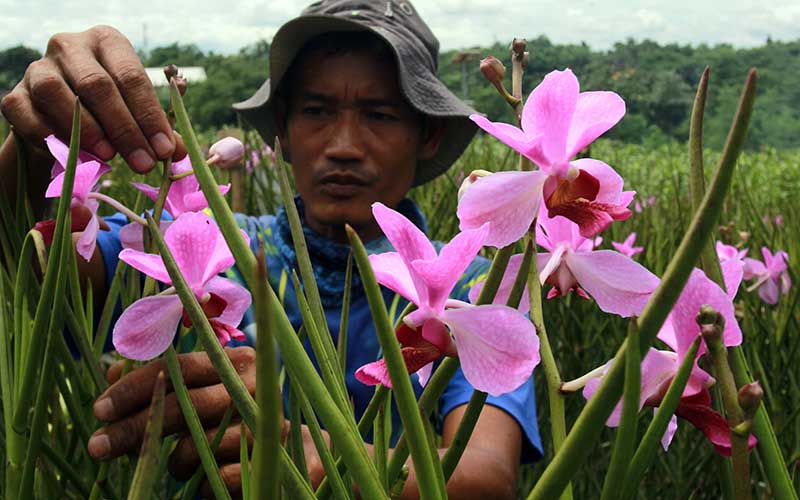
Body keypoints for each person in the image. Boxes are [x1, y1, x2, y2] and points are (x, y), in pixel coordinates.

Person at [0, 1, 541, 497]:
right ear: (281, 126)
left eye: (379, 114)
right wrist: (31, 150)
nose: (344, 146)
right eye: (317, 111)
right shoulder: (202, 243)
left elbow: (488, 477)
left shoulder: (479, 282)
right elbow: (26, 268)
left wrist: (312, 454)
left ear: (426, 135)